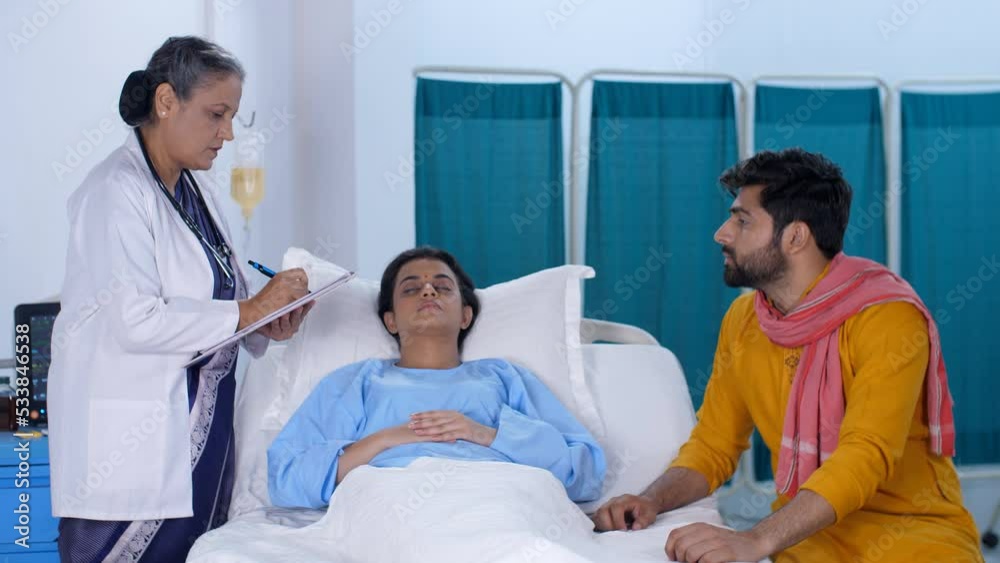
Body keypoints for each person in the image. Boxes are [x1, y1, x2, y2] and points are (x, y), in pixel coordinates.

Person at [592, 148, 983, 562]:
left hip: (915, 534)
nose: (722, 233)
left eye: (742, 220)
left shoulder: (888, 317)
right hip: (807, 540)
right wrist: (652, 500)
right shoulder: (744, 319)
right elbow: (713, 445)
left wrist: (756, 540)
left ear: (796, 236)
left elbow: (866, 454)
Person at [49, 36, 313, 562]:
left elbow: (227, 297)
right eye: (217, 114)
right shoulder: (115, 192)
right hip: (131, 445)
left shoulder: (200, 192)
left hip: (201, 431)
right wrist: (250, 311)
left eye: (233, 116)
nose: (228, 133)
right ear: (166, 102)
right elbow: (135, 320)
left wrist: (265, 321)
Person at [267, 247, 606, 508]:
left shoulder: (504, 377)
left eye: (442, 287)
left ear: (465, 315)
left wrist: (483, 433)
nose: (428, 292)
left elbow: (584, 472)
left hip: (496, 501)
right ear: (391, 321)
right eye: (411, 290)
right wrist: (387, 439)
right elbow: (287, 479)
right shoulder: (356, 383)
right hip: (389, 505)